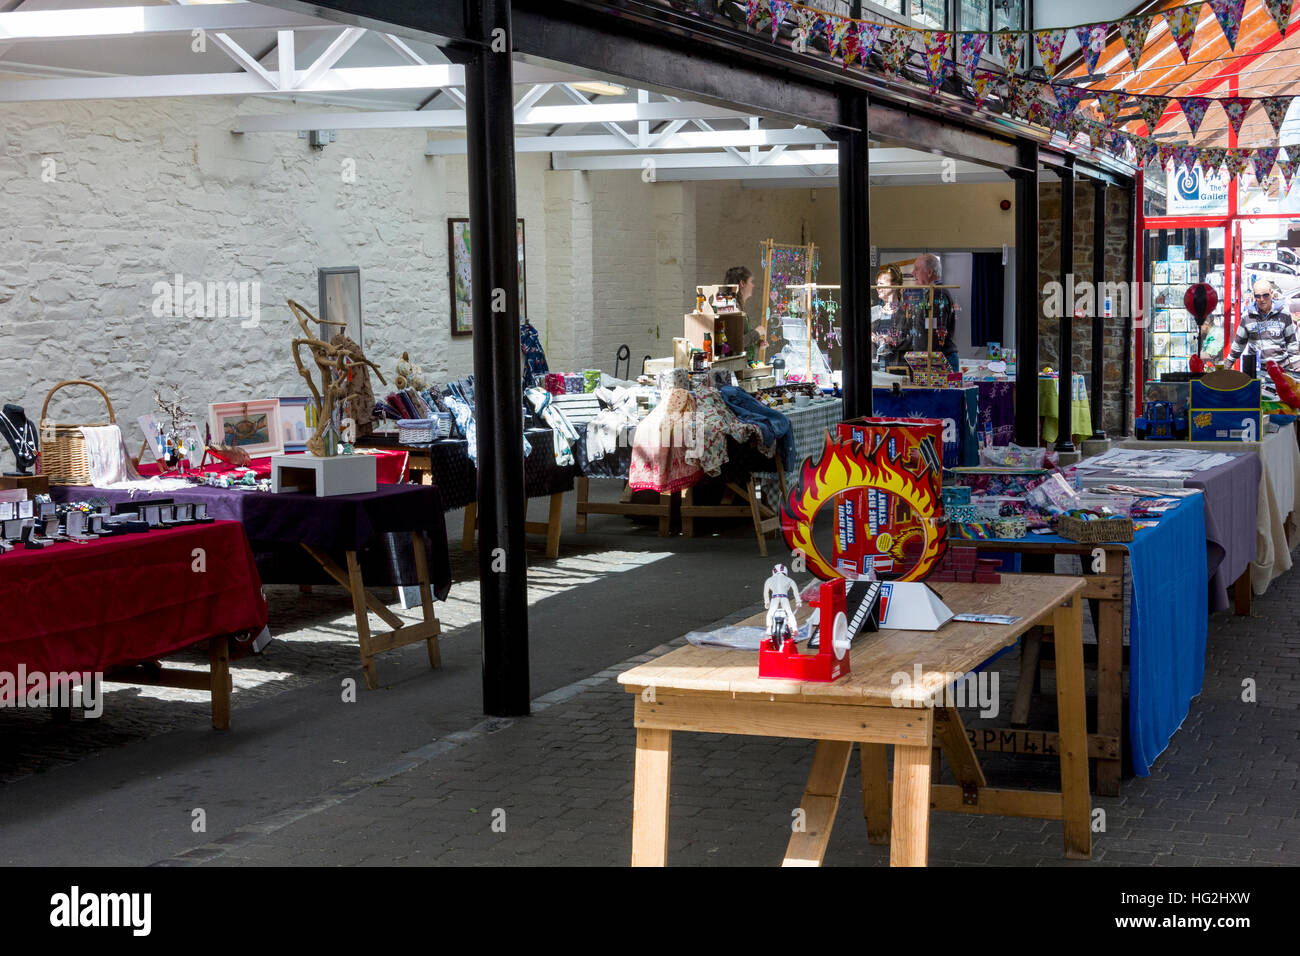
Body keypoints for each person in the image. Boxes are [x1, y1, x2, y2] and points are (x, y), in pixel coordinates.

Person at [1226, 279, 1300, 375]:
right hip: (1256, 369)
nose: (1262, 299)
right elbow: (1239, 344)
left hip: (1281, 368)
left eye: (1265, 295)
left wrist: (1297, 365)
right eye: (1258, 296)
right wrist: (1227, 364)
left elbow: (1291, 342)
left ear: (1271, 294)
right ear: (1254, 296)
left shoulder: (1284, 314)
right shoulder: (1247, 317)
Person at [910, 253, 960, 373]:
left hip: (938, 360)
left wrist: (928, 363)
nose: (912, 273)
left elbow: (935, 331)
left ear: (930, 272)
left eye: (917, 269)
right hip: (931, 359)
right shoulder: (931, 292)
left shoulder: (937, 293)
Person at [726, 265, 768, 360]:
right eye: (751, 282)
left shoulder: (739, 308)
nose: (753, 285)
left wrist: (757, 345)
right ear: (742, 283)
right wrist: (756, 333)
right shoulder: (732, 309)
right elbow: (735, 343)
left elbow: (742, 345)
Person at [871, 264, 905, 368]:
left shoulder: (906, 313)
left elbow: (914, 340)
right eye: (877, 284)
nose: (877, 288)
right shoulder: (873, 312)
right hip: (875, 369)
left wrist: (892, 340)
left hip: (899, 368)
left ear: (894, 285)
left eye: (881, 284)